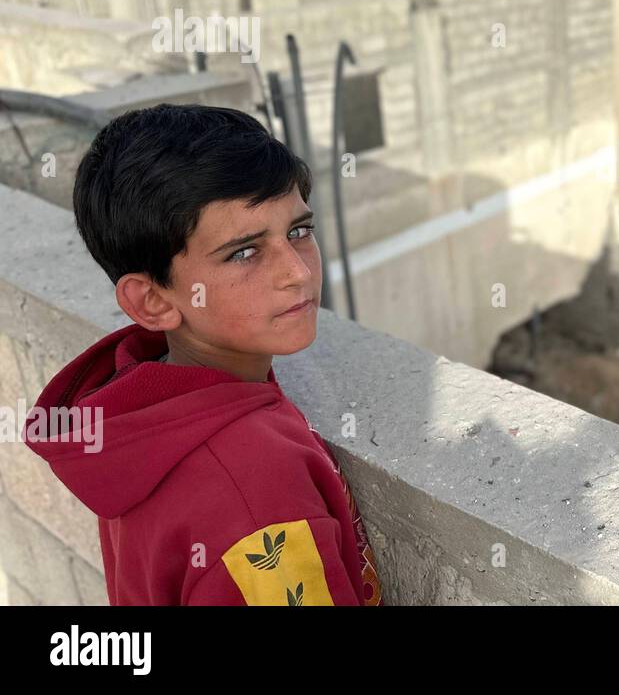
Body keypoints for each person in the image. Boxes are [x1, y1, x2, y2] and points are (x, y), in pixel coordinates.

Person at [24, 105, 382, 605]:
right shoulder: (257, 483)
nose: (298, 273)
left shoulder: (137, 420)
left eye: (299, 231)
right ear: (152, 301)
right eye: (243, 252)